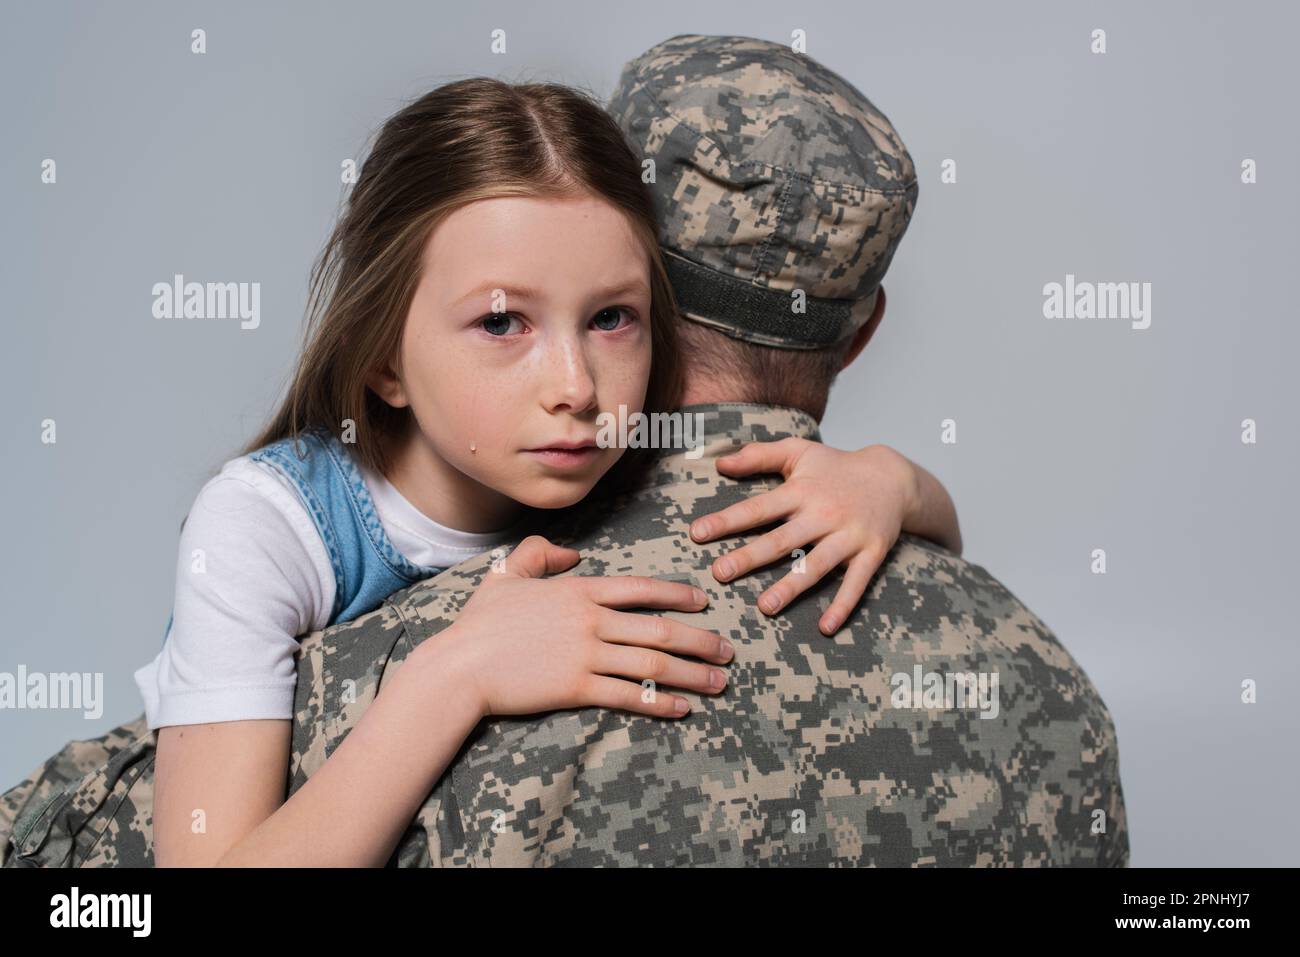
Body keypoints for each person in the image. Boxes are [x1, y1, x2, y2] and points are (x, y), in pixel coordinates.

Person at [283, 34, 1130, 867]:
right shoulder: (1049, 686)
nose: (570, 384)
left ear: (635, 286)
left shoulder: (386, 683)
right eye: (504, 322)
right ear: (862, 332)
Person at [107, 74, 967, 867]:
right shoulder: (263, 527)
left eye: (611, 318)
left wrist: (890, 482)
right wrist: (457, 672)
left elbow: (941, 537)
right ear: (383, 359)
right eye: (500, 323)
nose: (575, 388)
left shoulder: (637, 450)